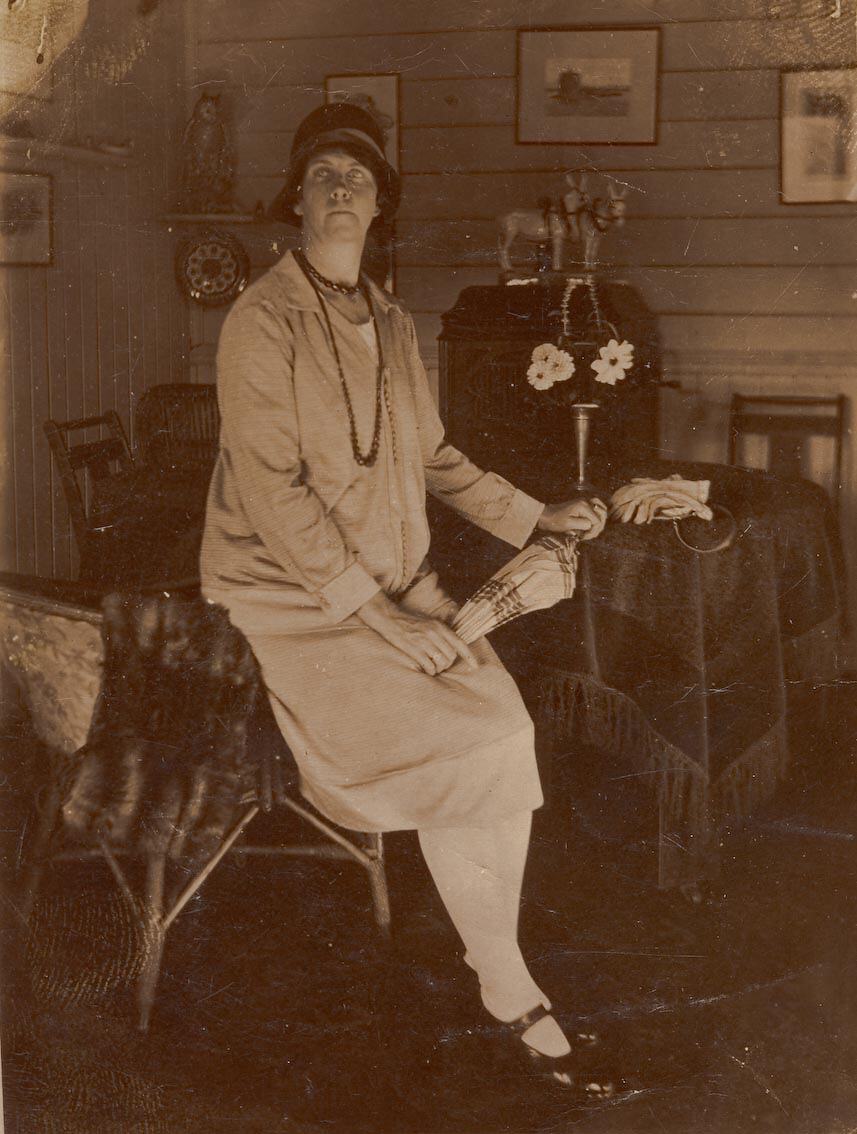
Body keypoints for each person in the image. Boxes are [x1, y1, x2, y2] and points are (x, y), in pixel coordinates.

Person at [200, 102, 611, 1095]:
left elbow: (429, 455)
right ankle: (508, 987)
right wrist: (375, 618)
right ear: (294, 199)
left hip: (396, 582)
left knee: (503, 731)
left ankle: (494, 971)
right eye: (322, 175)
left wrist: (534, 516)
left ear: (381, 204)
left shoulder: (388, 317)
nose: (341, 188)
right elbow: (271, 491)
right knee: (466, 741)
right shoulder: (259, 319)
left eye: (359, 176)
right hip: (297, 599)